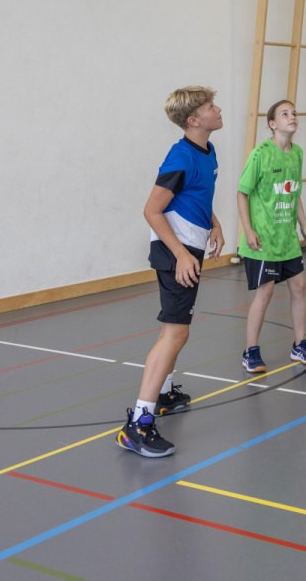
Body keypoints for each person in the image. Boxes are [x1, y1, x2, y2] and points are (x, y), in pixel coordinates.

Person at [117, 86, 225, 458]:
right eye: (212, 107)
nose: (219, 109)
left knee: (175, 331)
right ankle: (139, 424)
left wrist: (214, 222)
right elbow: (152, 209)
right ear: (194, 119)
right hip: (174, 252)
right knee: (176, 334)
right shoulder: (179, 158)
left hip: (189, 246)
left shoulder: (207, 150)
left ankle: (163, 393)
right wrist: (180, 254)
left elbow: (197, 194)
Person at [237, 99, 306, 373]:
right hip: (263, 240)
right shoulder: (260, 154)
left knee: (300, 287)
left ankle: (299, 344)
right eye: (285, 113)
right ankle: (250, 351)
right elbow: (242, 193)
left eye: (294, 112)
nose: (292, 116)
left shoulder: (297, 153)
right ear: (273, 124)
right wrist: (248, 230)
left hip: (287, 239)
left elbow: (293, 194)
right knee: (266, 291)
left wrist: (304, 226)